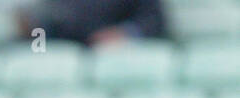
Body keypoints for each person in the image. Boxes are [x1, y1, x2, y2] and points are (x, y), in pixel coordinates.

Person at [13, 0, 166, 45]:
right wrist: (33, 28)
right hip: (72, 58)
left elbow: (154, 21)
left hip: (119, 57)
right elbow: (52, 26)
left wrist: (124, 33)